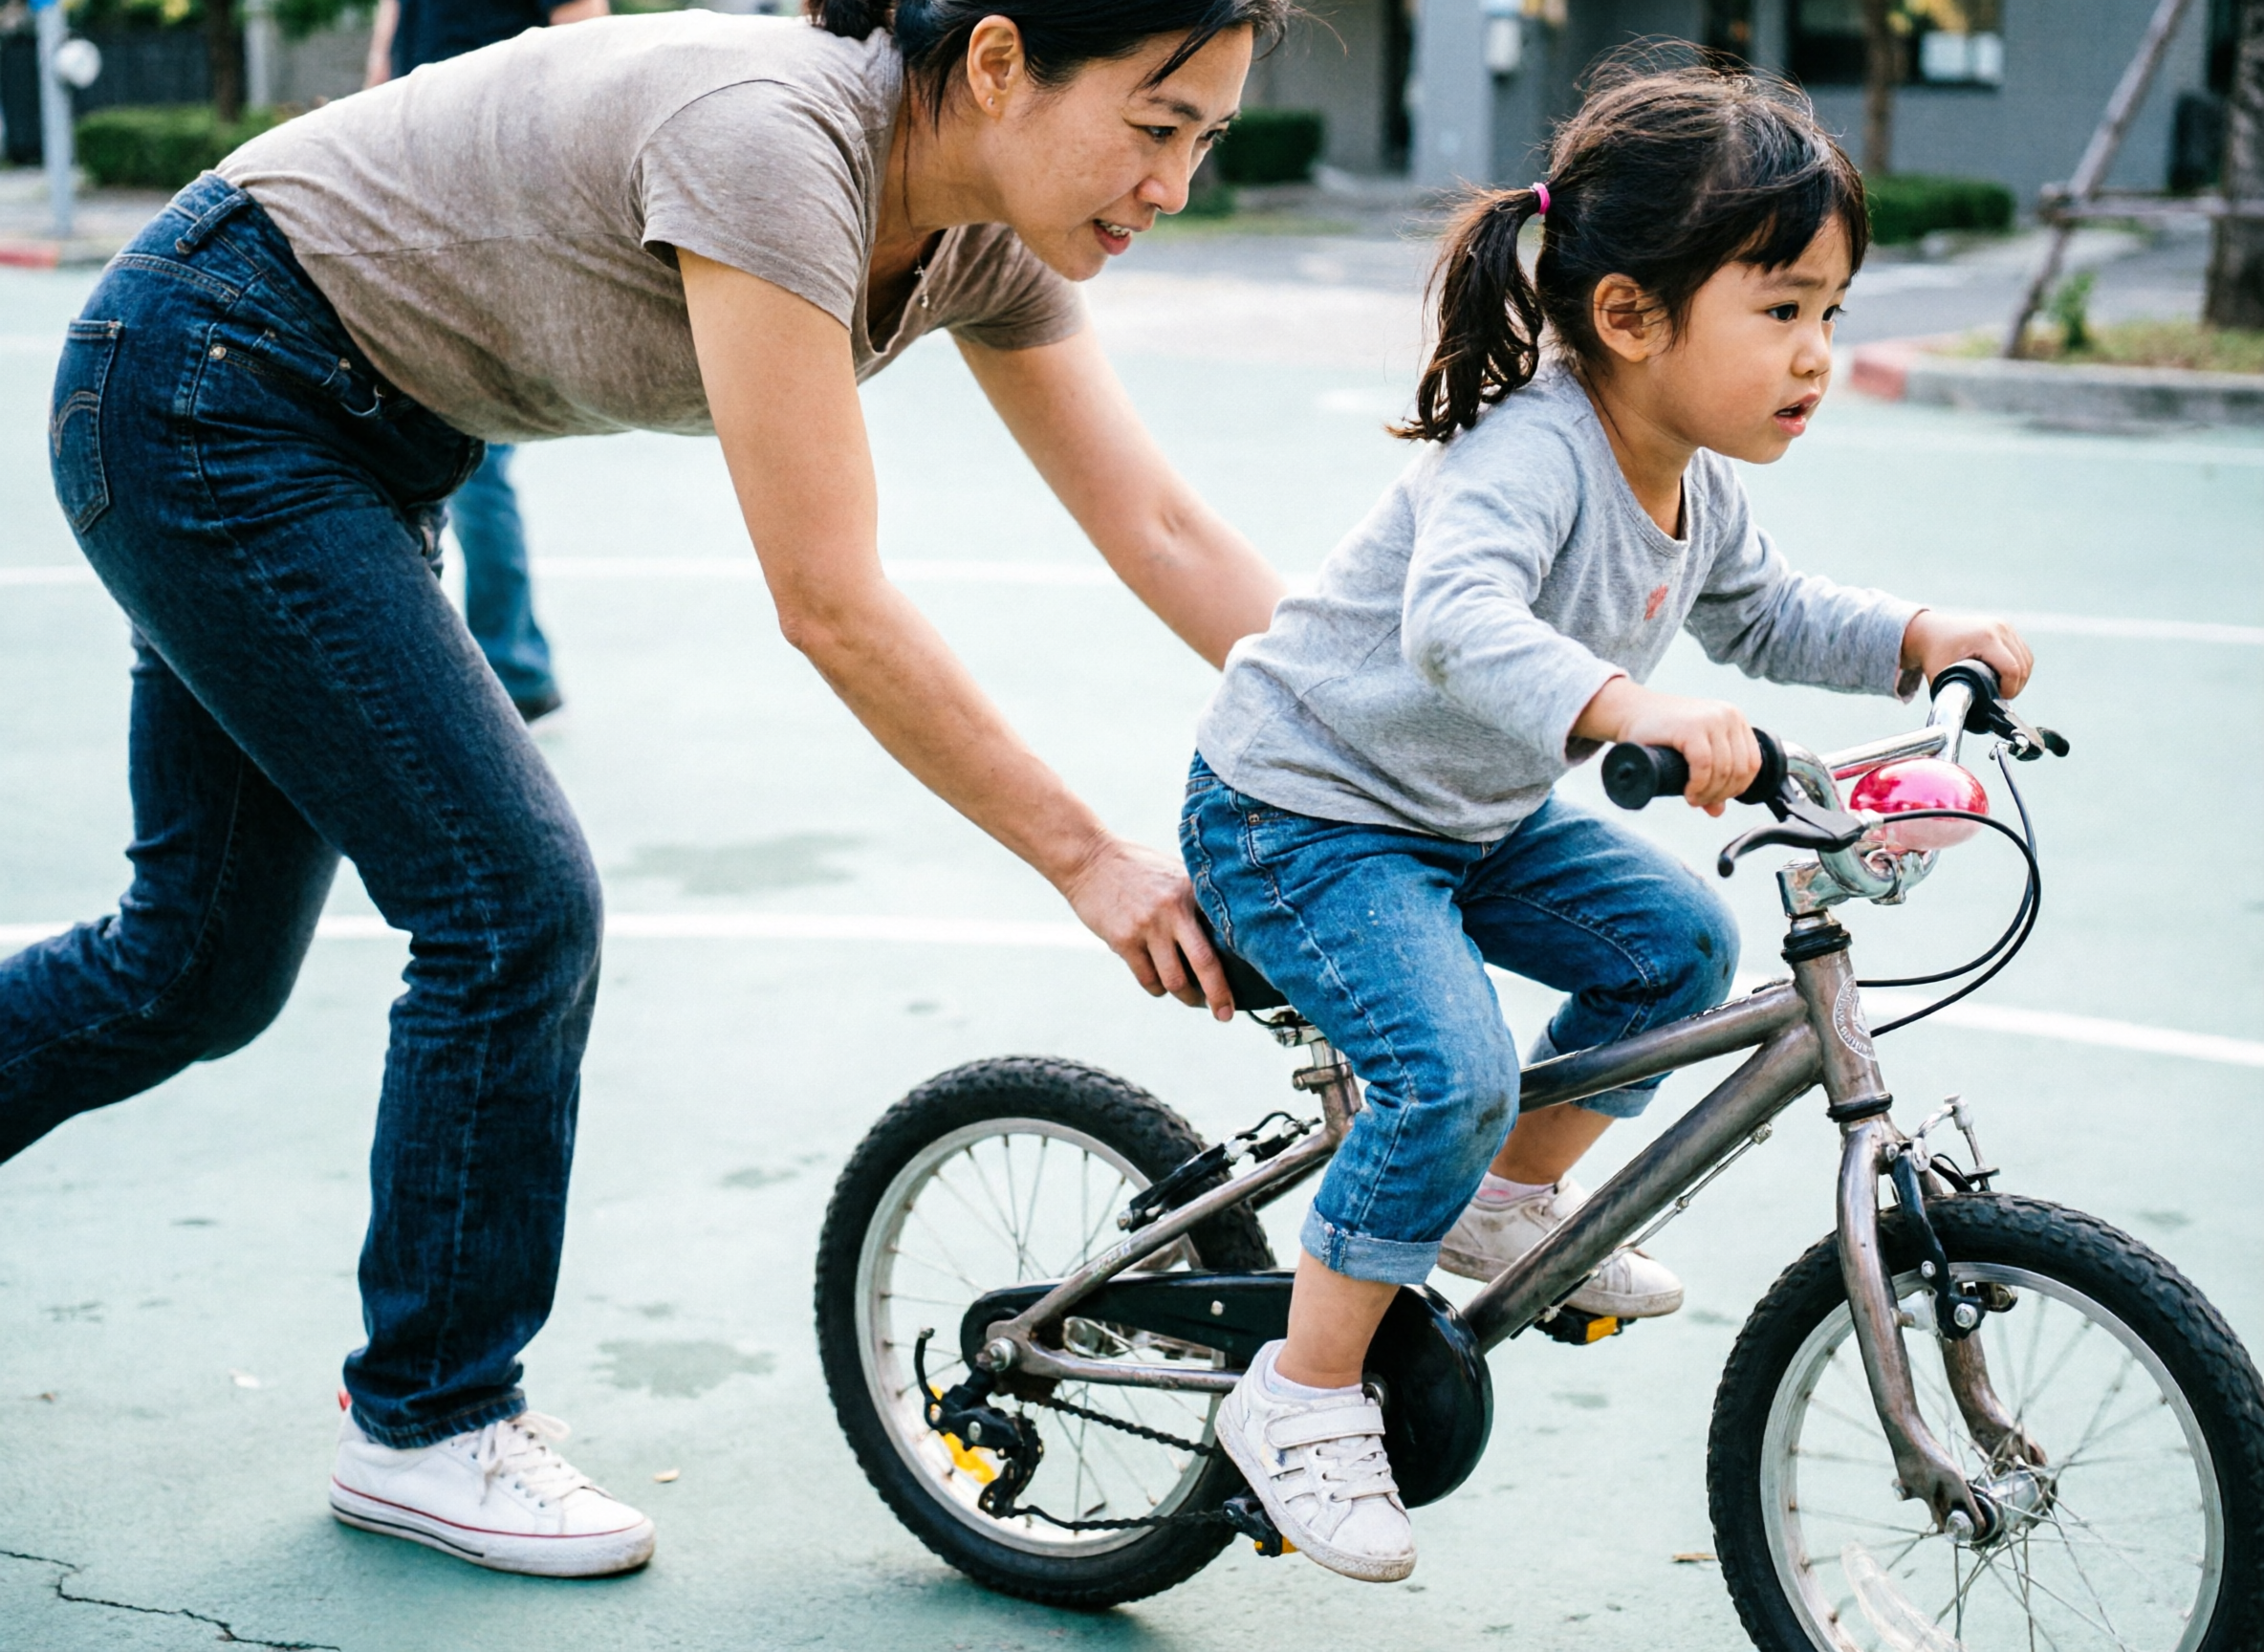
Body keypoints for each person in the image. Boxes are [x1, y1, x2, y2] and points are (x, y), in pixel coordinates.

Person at [18, 0, 1288, 1578]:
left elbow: (1159, 528)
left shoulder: (982, 234)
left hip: (322, 424)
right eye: (1155, 126)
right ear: (995, 63)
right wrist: (1089, 857)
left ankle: (424, 1413)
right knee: (508, 904)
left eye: (1206, 141)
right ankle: (426, 1420)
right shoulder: (775, 142)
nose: (1172, 182)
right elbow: (828, 593)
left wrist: (1429, 726)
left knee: (192, 962)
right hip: (215, 381)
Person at [1179, 61, 2035, 1583]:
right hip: (1304, 812)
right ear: (1631, 317)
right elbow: (1456, 623)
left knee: (1676, 945)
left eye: (1832, 314)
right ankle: (1300, 1396)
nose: (1818, 354)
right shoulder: (1531, 448)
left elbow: (1769, 612)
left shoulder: (1690, 478)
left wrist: (1919, 635)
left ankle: (1504, 1203)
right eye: (1781, 311)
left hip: (1469, 809)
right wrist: (1627, 710)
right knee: (1442, 1072)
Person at [364, 0, 611, 723]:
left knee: (471, 447)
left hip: (490, 194)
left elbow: (585, 51)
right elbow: (391, 38)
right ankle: (505, 660)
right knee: (429, 435)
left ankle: (509, 663)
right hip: (417, 181)